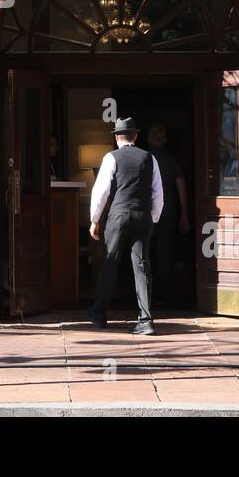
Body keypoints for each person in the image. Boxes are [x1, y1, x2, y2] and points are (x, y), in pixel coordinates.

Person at [87, 118, 164, 335]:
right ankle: (146, 320)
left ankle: (99, 313)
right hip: (142, 215)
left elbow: (101, 190)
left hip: (119, 215)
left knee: (110, 262)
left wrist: (94, 219)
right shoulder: (149, 158)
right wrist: (153, 218)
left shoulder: (111, 157)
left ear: (116, 137)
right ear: (136, 136)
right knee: (142, 266)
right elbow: (158, 193)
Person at [146, 123, 190, 308]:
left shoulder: (144, 159)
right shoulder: (172, 162)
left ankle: (144, 297)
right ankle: (164, 296)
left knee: (144, 253)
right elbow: (181, 189)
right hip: (168, 211)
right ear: (164, 140)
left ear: (149, 139)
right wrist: (184, 215)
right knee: (164, 254)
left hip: (146, 212)